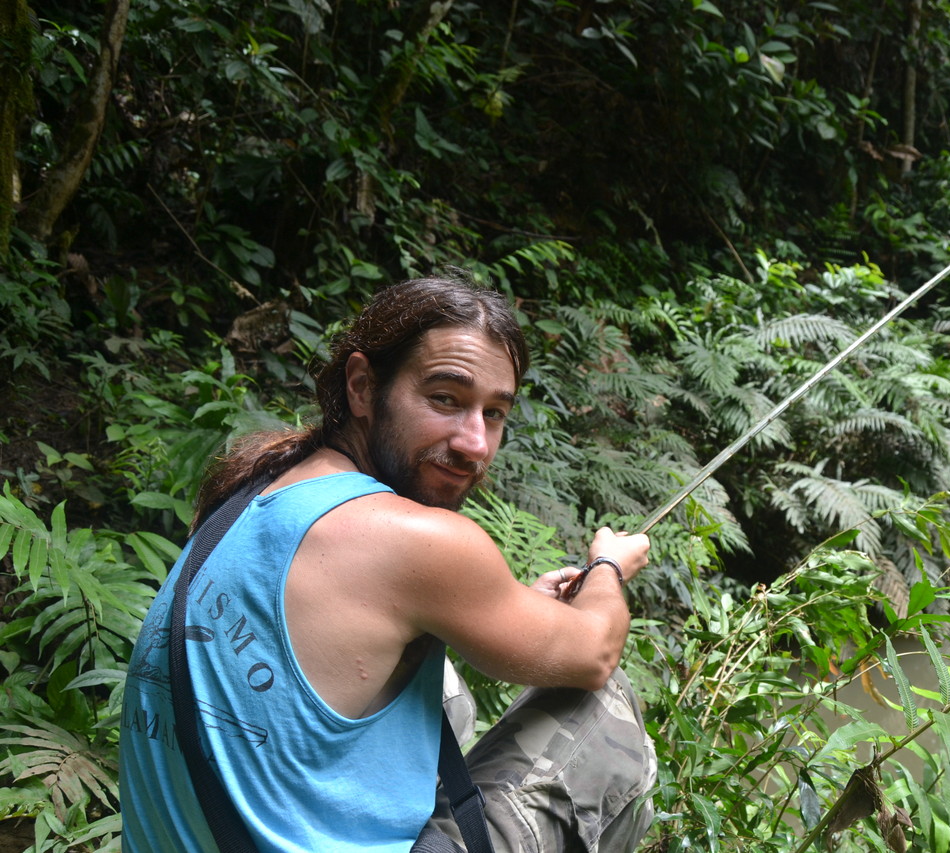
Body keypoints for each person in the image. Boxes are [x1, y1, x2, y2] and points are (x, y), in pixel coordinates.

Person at [119, 274, 657, 852]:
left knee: (442, 684)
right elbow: (594, 650)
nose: (474, 442)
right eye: (445, 399)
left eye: (495, 413)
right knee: (604, 704)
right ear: (361, 387)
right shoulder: (419, 541)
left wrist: (499, 602)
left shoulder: (255, 484)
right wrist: (607, 567)